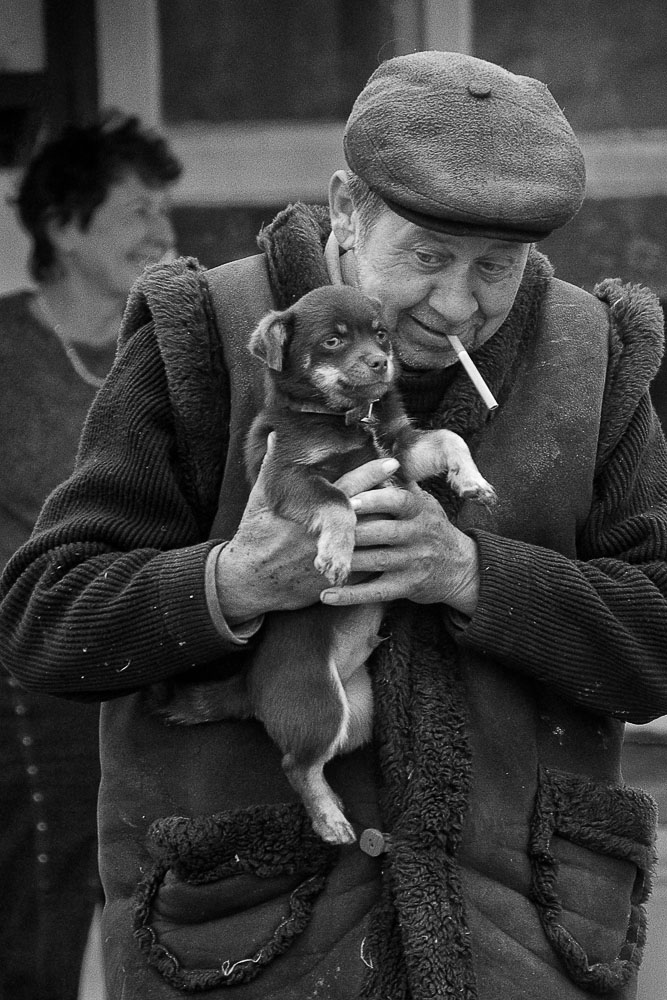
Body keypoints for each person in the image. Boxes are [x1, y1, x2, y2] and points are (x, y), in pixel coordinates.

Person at [0, 51, 666, 1000]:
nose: (455, 305)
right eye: (427, 257)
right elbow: (45, 620)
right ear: (347, 206)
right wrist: (234, 582)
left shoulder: (594, 358)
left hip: (526, 947)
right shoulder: (204, 331)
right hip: (246, 947)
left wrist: (476, 576)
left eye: (496, 269)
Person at [0, 111, 181, 1000]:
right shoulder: (4, 351)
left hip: (161, 659)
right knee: (45, 893)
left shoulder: (168, 352)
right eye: (138, 209)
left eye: (165, 210)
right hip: (35, 680)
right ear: (64, 227)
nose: (163, 231)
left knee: (161, 905)